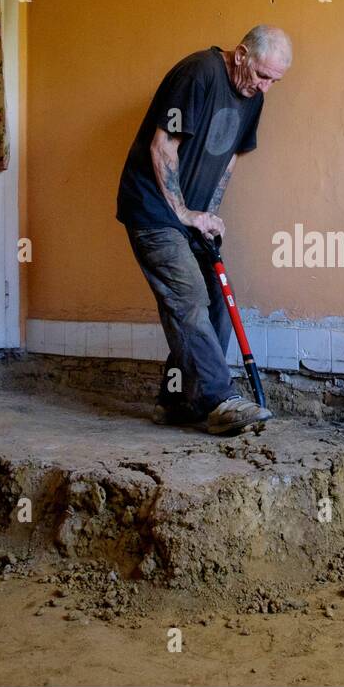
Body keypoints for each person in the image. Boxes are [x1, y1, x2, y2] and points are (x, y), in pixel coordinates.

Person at [115, 25, 292, 434]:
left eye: (274, 81)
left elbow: (230, 158)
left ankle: (176, 401)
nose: (265, 86)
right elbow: (163, 146)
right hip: (153, 210)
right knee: (188, 296)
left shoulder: (254, 97)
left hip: (189, 215)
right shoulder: (199, 73)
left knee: (215, 300)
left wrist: (207, 216)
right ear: (242, 54)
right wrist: (183, 212)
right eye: (262, 75)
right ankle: (219, 400)